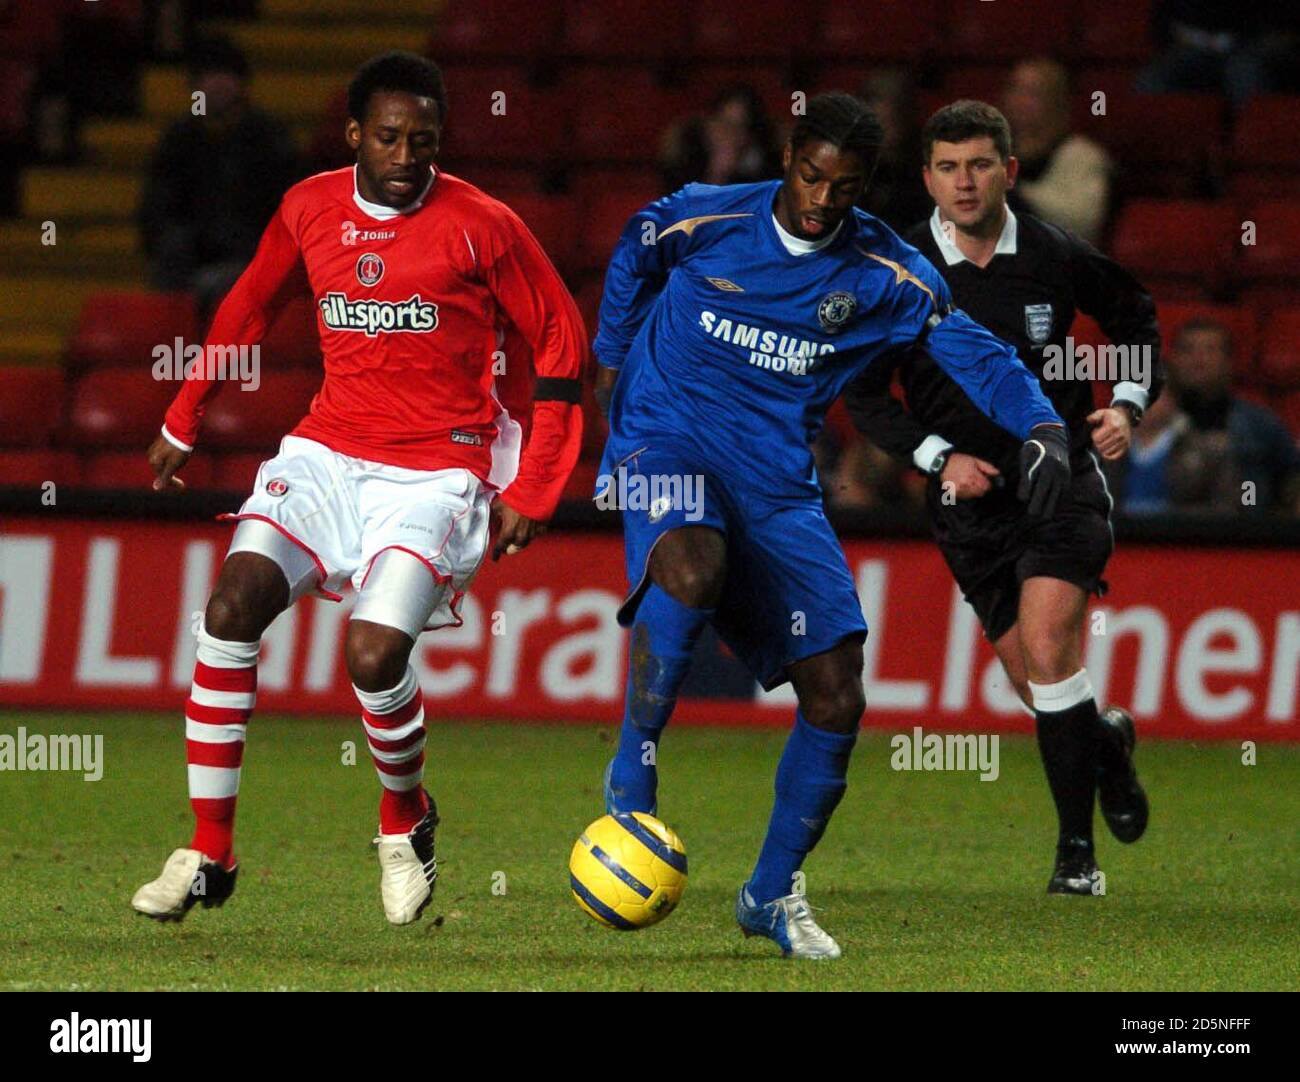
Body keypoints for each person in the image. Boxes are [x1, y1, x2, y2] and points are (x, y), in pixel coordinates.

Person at [592, 92, 1072, 959]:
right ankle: (634, 765)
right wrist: (613, 365)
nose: (820, 202)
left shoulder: (885, 275)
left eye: (842, 189)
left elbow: (976, 356)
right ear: (787, 158)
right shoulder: (703, 218)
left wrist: (1042, 427)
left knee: (839, 692)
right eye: (810, 177)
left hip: (777, 482)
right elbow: (632, 248)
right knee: (692, 570)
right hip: (669, 437)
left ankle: (769, 896)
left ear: (864, 189)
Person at [131, 52, 588, 926]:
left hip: (439, 470)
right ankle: (209, 851)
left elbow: (561, 343)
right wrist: (186, 414)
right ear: (353, 137)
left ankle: (403, 817)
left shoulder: (483, 225)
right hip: (329, 454)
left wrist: (536, 482)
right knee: (230, 612)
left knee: (373, 656)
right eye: (388, 137)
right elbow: (249, 306)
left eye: (424, 140)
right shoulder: (309, 206)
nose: (407, 156)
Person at [844, 100, 1160, 895]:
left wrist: (1124, 401)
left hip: (1061, 483)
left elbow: (1134, 314)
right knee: (1036, 685)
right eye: (948, 167)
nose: (965, 181)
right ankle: (1107, 747)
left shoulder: (1053, 254)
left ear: (1010, 172)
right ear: (926, 179)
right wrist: (937, 455)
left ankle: (1074, 857)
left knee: (1053, 651)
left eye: (981, 164)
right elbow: (866, 395)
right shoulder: (899, 271)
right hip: (967, 505)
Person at [138, 35, 302, 319]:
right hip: (191, 260)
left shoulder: (270, 139)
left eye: (225, 75)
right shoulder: (179, 139)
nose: (217, 84)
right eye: (208, 76)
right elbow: (156, 211)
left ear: (241, 83)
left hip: (252, 257)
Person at [1159, 317, 1300, 513]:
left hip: (1243, 532)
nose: (1198, 360)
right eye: (1187, 350)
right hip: (1161, 534)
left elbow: (1291, 477)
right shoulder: (1150, 422)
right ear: (1172, 358)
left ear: (1229, 362)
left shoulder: (1258, 424)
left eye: (1210, 350)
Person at [1001, 59, 1111, 245]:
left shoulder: (1082, 154)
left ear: (1057, 100)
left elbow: (1083, 220)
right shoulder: (995, 151)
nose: (1019, 100)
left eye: (1032, 93)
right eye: (1015, 89)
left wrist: (1012, 193)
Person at [659, 84, 781, 194]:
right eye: (723, 123)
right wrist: (716, 174)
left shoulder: (764, 175)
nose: (728, 134)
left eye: (739, 127)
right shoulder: (684, 161)